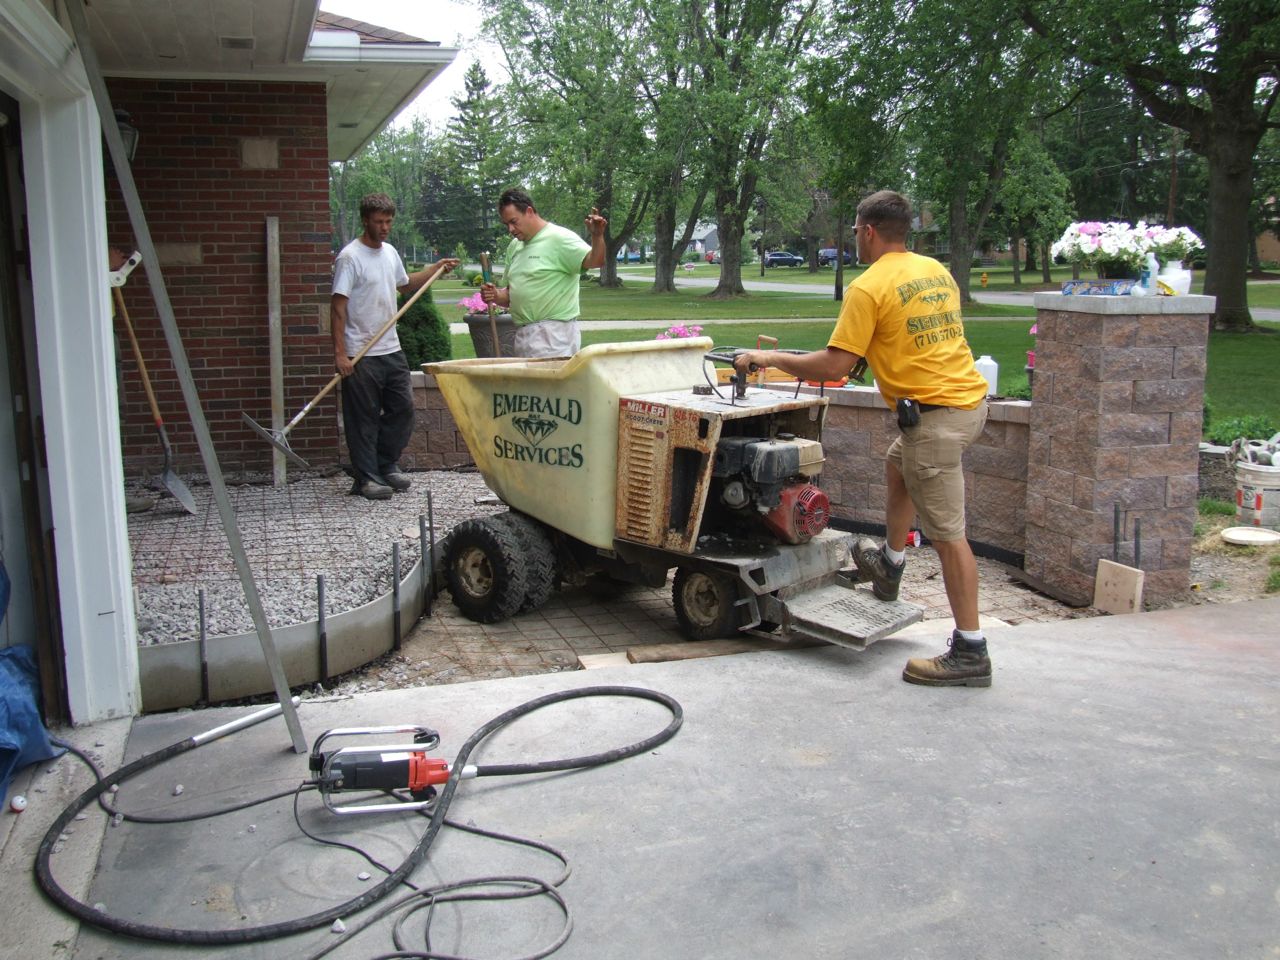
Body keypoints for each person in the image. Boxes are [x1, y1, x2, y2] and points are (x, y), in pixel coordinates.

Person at [732, 189, 992, 688]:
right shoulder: (934, 271)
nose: (855, 238)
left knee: (949, 538)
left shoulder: (869, 287)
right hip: (969, 406)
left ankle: (971, 650)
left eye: (855, 230)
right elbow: (917, 338)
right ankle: (889, 568)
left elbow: (835, 365)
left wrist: (769, 358)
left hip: (937, 422)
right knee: (898, 464)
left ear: (868, 230)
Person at [332, 193, 458, 501]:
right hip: (361, 352)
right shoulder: (349, 258)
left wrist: (434, 269)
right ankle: (366, 479)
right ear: (366, 220)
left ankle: (384, 465)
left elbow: (404, 284)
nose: (385, 227)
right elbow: (337, 307)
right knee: (363, 419)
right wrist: (340, 353)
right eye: (379, 222)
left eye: (389, 221)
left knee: (404, 411)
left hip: (391, 348)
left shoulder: (389, 252)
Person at [479, 188, 607, 357]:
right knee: (529, 385)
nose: (510, 229)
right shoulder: (515, 246)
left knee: (551, 384)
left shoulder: (560, 238)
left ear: (529, 212)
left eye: (514, 221)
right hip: (522, 334)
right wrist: (495, 295)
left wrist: (597, 237)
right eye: (506, 224)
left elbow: (595, 261)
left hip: (554, 335)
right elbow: (511, 295)